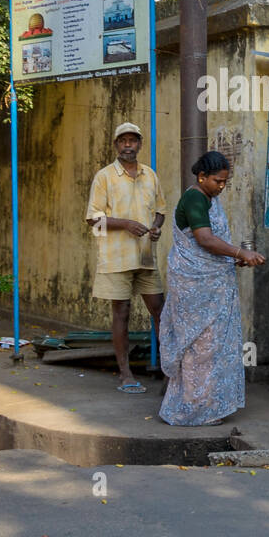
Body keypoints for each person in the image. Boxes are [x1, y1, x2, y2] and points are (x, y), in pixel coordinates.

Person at [159, 150, 265, 426]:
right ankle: (194, 408)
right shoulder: (194, 197)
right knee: (200, 345)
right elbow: (204, 239)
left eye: (225, 182)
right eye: (217, 181)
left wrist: (232, 258)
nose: (221, 186)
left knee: (213, 344)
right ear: (201, 176)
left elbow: (212, 244)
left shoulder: (208, 198)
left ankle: (210, 403)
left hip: (212, 280)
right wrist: (240, 253)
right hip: (194, 284)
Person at [85, 122, 166, 393]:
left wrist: (155, 227)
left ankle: (171, 371)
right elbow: (93, 220)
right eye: (123, 141)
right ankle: (125, 374)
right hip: (116, 257)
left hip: (145, 256)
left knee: (160, 311)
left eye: (133, 140)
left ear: (140, 144)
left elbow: (161, 209)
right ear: (116, 145)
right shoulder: (105, 177)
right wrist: (126, 224)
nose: (128, 145)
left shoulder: (150, 175)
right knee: (122, 313)